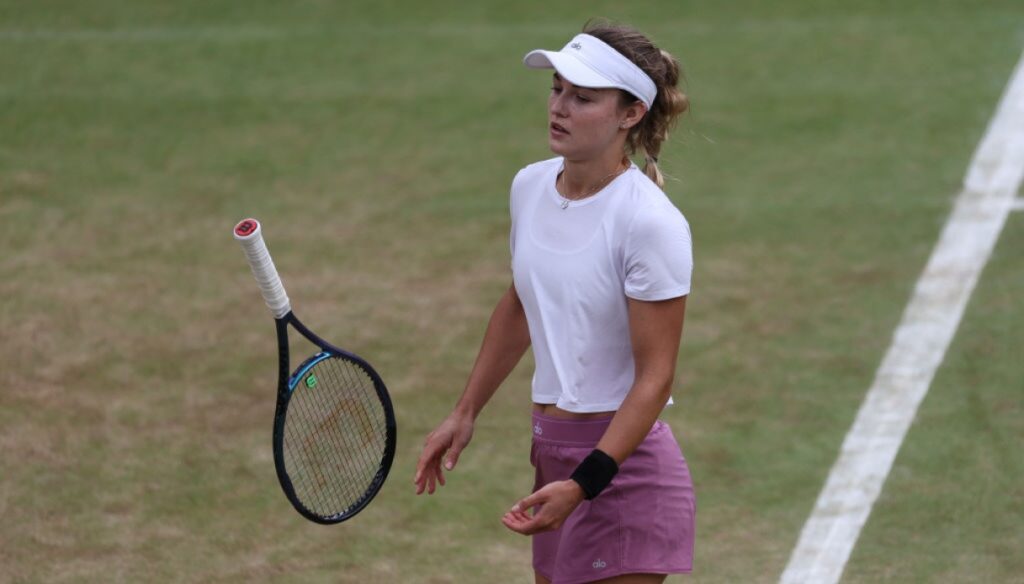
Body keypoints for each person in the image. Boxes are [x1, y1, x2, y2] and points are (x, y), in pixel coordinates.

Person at [414, 21, 694, 584]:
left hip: (621, 469)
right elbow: (522, 304)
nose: (559, 107)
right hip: (552, 454)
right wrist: (465, 410)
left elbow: (655, 379)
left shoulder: (649, 222)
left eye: (583, 97)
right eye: (557, 89)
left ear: (631, 113)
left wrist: (586, 481)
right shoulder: (530, 187)